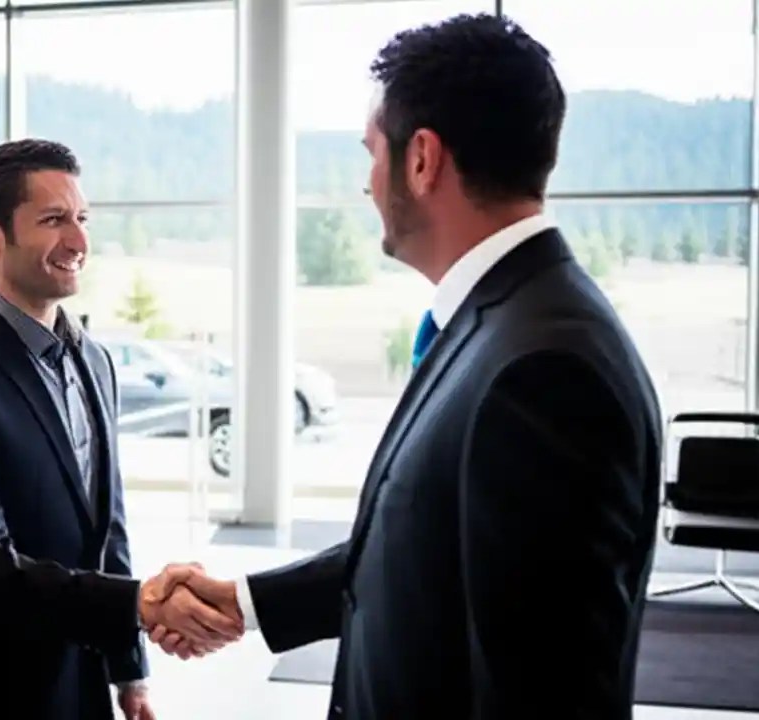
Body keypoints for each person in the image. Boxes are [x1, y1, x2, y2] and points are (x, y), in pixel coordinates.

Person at [146, 13, 664, 719]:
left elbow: (544, 692)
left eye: (370, 153)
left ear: (421, 159)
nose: (367, 184)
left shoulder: (543, 371)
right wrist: (247, 603)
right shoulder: (502, 322)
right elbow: (420, 544)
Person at [0, 138, 243, 720]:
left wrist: (130, 671)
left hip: (84, 686)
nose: (78, 242)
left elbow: (109, 527)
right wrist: (140, 604)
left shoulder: (95, 361)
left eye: (81, 219)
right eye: (54, 220)